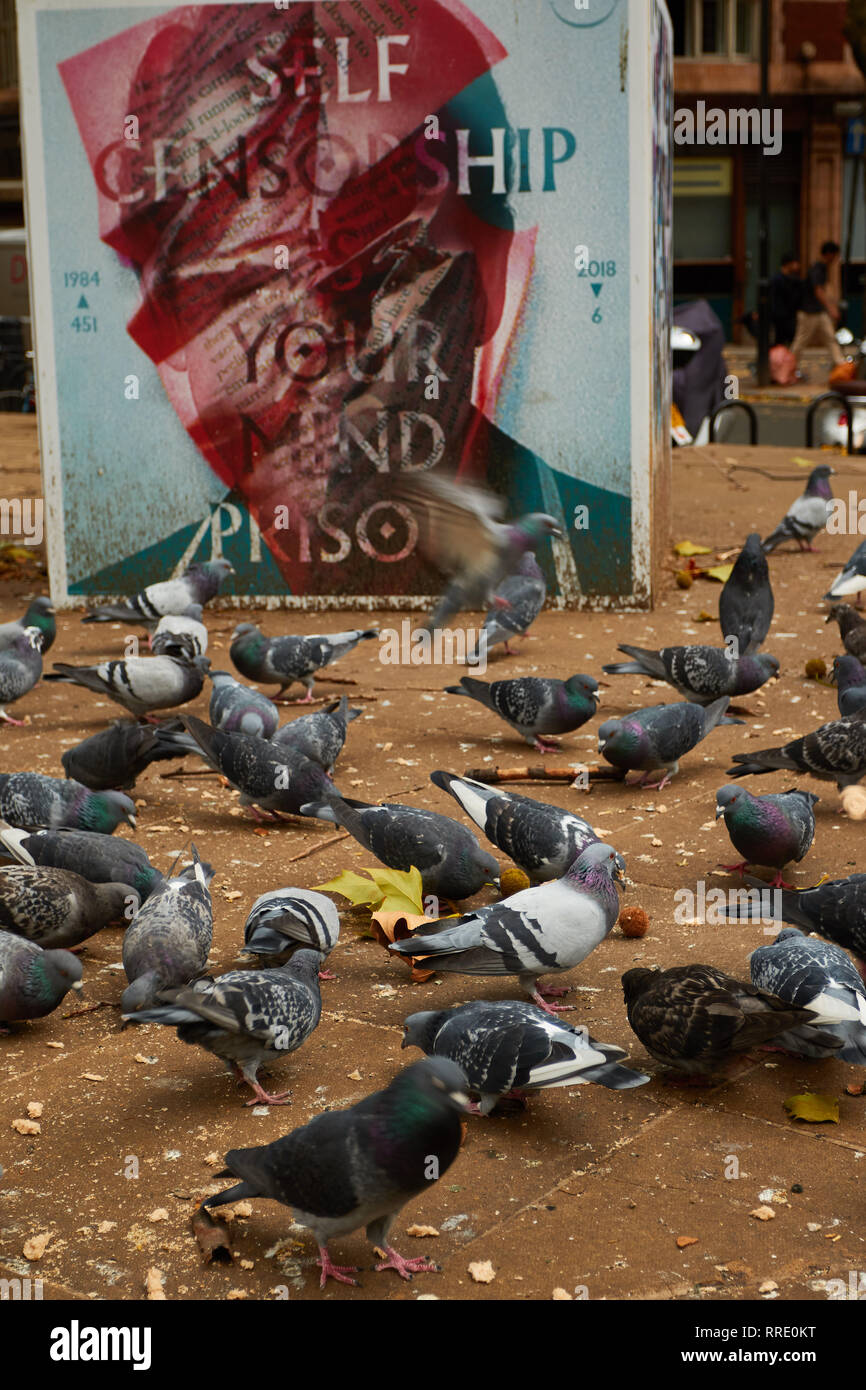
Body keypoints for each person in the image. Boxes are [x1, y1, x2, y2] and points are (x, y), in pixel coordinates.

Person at [790, 241, 844, 368]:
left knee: (830, 338)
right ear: (829, 254)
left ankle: (841, 364)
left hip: (818, 311)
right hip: (809, 312)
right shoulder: (817, 269)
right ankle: (789, 367)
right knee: (800, 342)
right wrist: (831, 308)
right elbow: (818, 291)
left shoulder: (821, 269)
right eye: (835, 255)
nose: (836, 259)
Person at [768, 253, 802, 347]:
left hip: (790, 315)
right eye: (795, 263)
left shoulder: (795, 281)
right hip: (779, 315)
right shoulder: (776, 280)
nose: (797, 266)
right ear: (789, 264)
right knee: (779, 340)